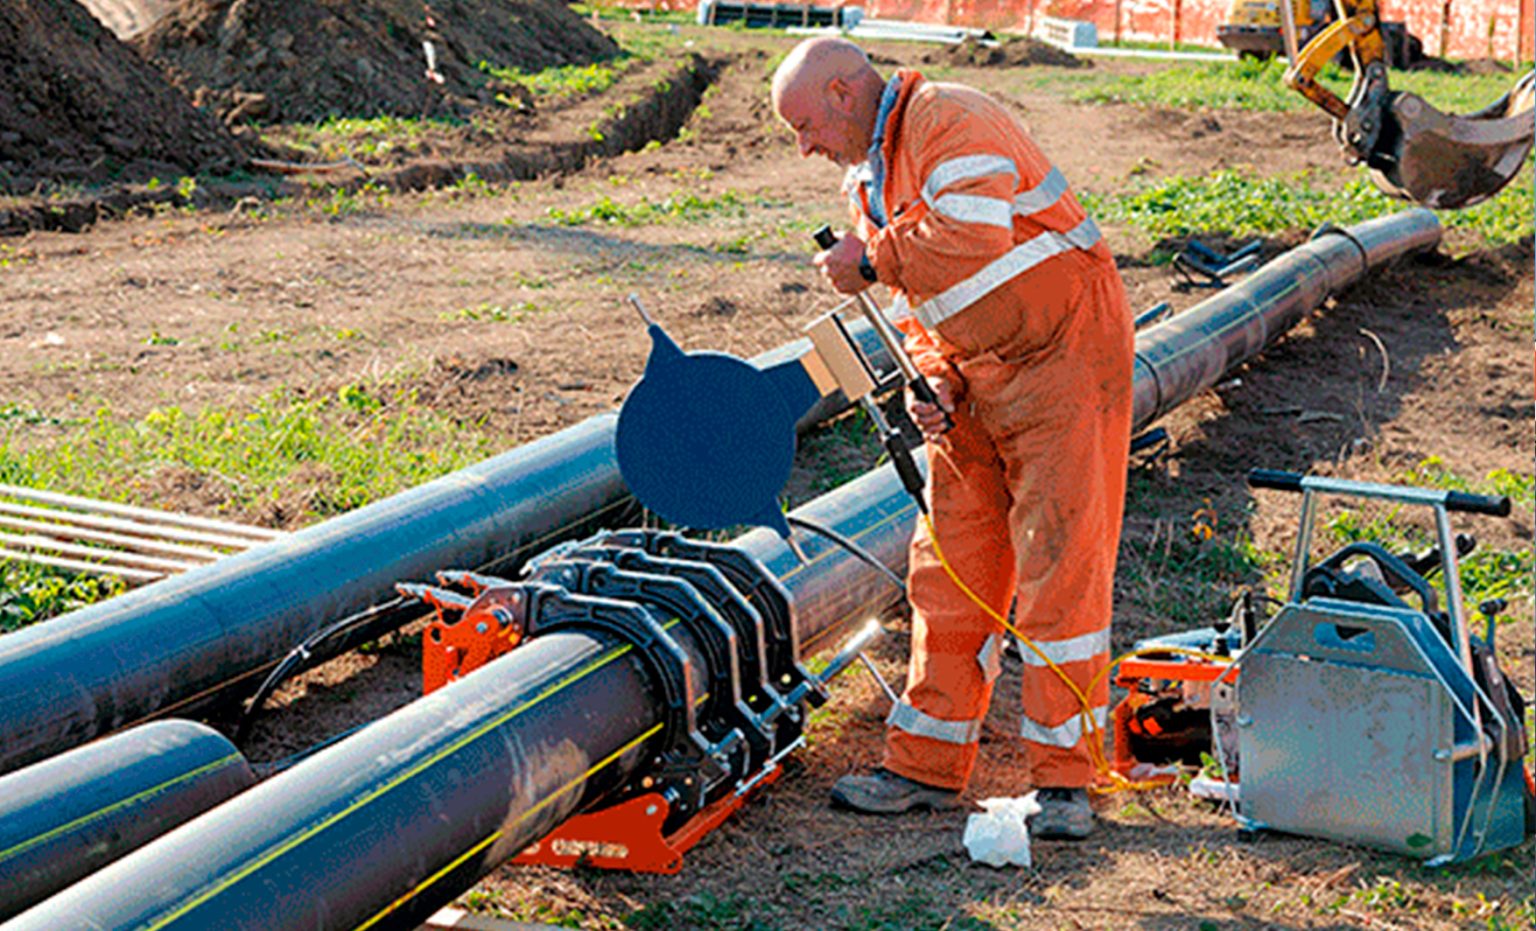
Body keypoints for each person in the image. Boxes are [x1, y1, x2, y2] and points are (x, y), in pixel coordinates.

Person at [771, 37, 1133, 839]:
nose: (803, 147)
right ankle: (925, 766)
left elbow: (972, 234)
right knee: (947, 569)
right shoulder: (870, 181)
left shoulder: (946, 119)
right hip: (978, 373)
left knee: (1057, 568)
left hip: (1063, 357)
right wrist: (933, 379)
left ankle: (1066, 782)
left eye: (803, 125)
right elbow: (921, 307)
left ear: (842, 92)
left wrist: (872, 262)